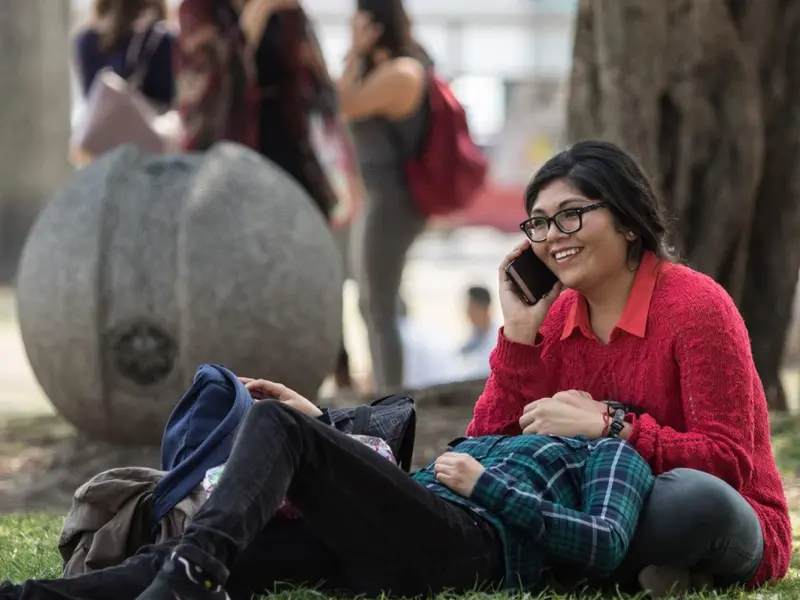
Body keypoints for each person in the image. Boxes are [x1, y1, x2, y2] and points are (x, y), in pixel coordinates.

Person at [466, 140, 792, 596]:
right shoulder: (554, 320)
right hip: (592, 511)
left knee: (693, 499)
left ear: (627, 222)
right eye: (539, 223)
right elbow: (483, 448)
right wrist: (519, 336)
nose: (554, 234)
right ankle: (646, 572)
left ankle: (604, 564)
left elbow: (727, 463)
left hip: (710, 512)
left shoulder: (697, 308)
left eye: (571, 214)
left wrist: (610, 426)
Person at [0, 379, 655, 600]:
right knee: (233, 556)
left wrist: (489, 487)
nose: (563, 389)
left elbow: (603, 544)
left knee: (273, 425)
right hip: (395, 534)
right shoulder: (500, 437)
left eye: (581, 390)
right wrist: (324, 430)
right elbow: (396, 492)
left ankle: (191, 578)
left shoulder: (615, 460)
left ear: (601, 409)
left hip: (468, 545)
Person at [176, 0, 356, 388]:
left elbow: (318, 84)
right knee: (238, 264)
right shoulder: (199, 11)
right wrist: (257, 12)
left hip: (290, 145)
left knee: (313, 253)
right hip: (229, 153)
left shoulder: (289, 12)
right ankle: (235, 373)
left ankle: (334, 363)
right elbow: (214, 77)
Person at [339, 0, 431, 392]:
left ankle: (390, 398)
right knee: (373, 304)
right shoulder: (382, 69)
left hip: (393, 202)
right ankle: (385, 388)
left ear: (373, 23)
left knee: (378, 307)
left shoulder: (401, 71)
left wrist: (355, 51)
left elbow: (343, 103)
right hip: (377, 201)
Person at [74, 0, 175, 107]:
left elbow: (92, 100)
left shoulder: (86, 40)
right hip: (144, 119)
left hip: (106, 119)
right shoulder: (163, 40)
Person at [457, 285, 499, 380]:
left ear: (482, 307)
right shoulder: (471, 338)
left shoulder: (499, 340)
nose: (467, 312)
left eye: (470, 307)